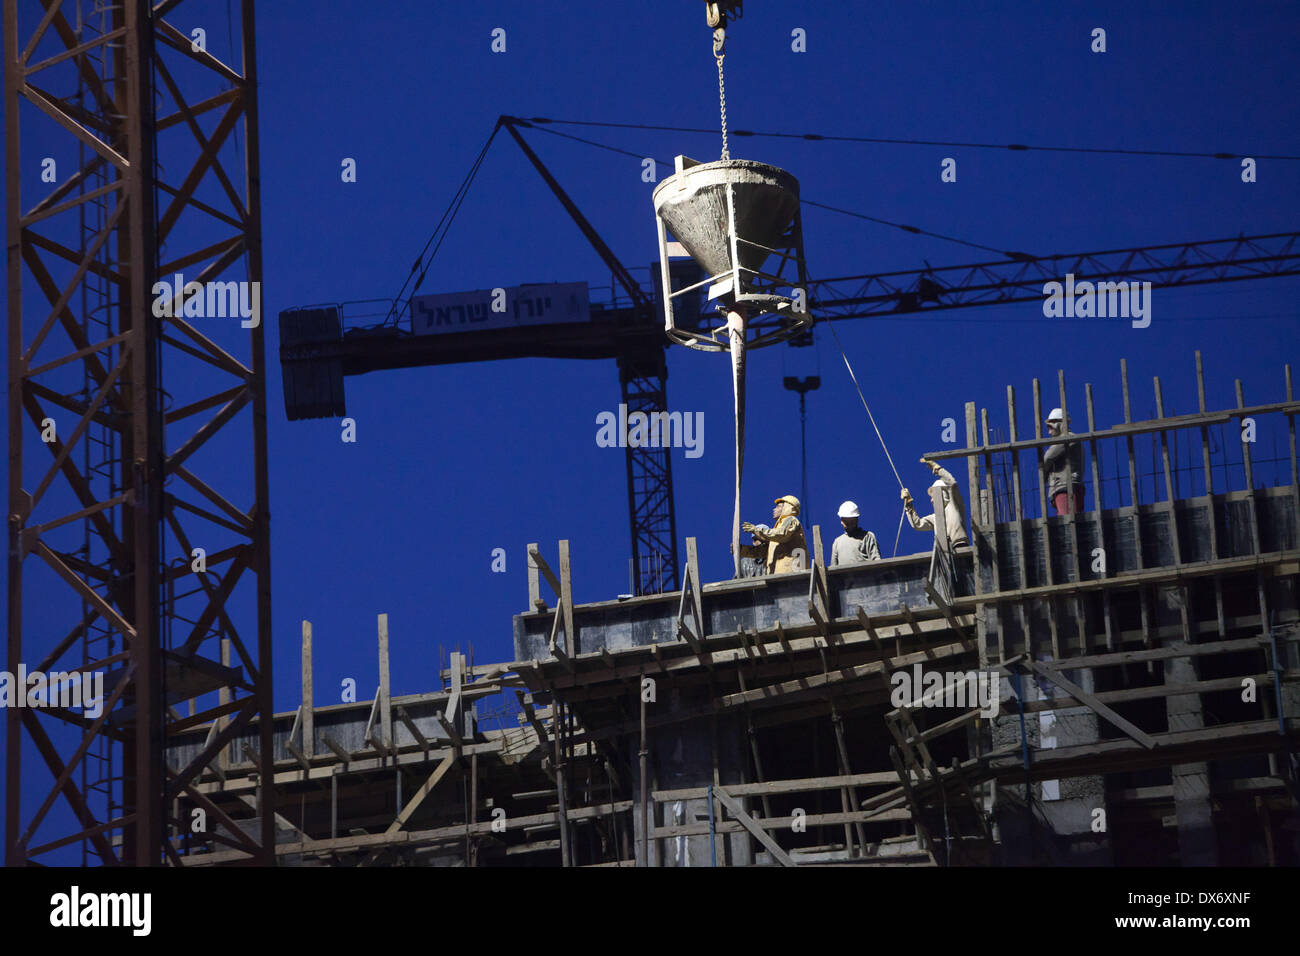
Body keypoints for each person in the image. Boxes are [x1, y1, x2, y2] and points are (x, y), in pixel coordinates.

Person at [901, 458, 969, 549]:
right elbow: (918, 524)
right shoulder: (936, 517)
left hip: (960, 545)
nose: (931, 500)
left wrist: (937, 469)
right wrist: (909, 504)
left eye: (933, 496)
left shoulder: (954, 504)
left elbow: (952, 484)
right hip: (944, 553)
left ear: (942, 493)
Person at [741, 494, 807, 574]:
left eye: (778, 506)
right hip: (778, 574)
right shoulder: (776, 535)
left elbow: (781, 534)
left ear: (787, 507)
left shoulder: (791, 521)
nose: (774, 509)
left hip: (791, 571)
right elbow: (763, 552)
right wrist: (741, 549)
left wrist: (757, 530)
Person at [1043, 407, 1085, 515]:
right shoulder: (1068, 439)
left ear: (1060, 423)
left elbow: (1047, 457)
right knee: (1067, 522)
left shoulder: (1068, 438)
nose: (1049, 432)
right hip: (1064, 487)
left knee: (1069, 521)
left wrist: (1043, 472)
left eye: (1051, 427)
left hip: (1066, 487)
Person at [830, 500, 880, 565]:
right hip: (844, 575)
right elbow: (833, 567)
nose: (850, 525)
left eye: (852, 521)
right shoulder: (837, 542)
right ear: (841, 521)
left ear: (856, 520)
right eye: (847, 522)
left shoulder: (867, 536)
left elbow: (876, 560)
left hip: (865, 574)